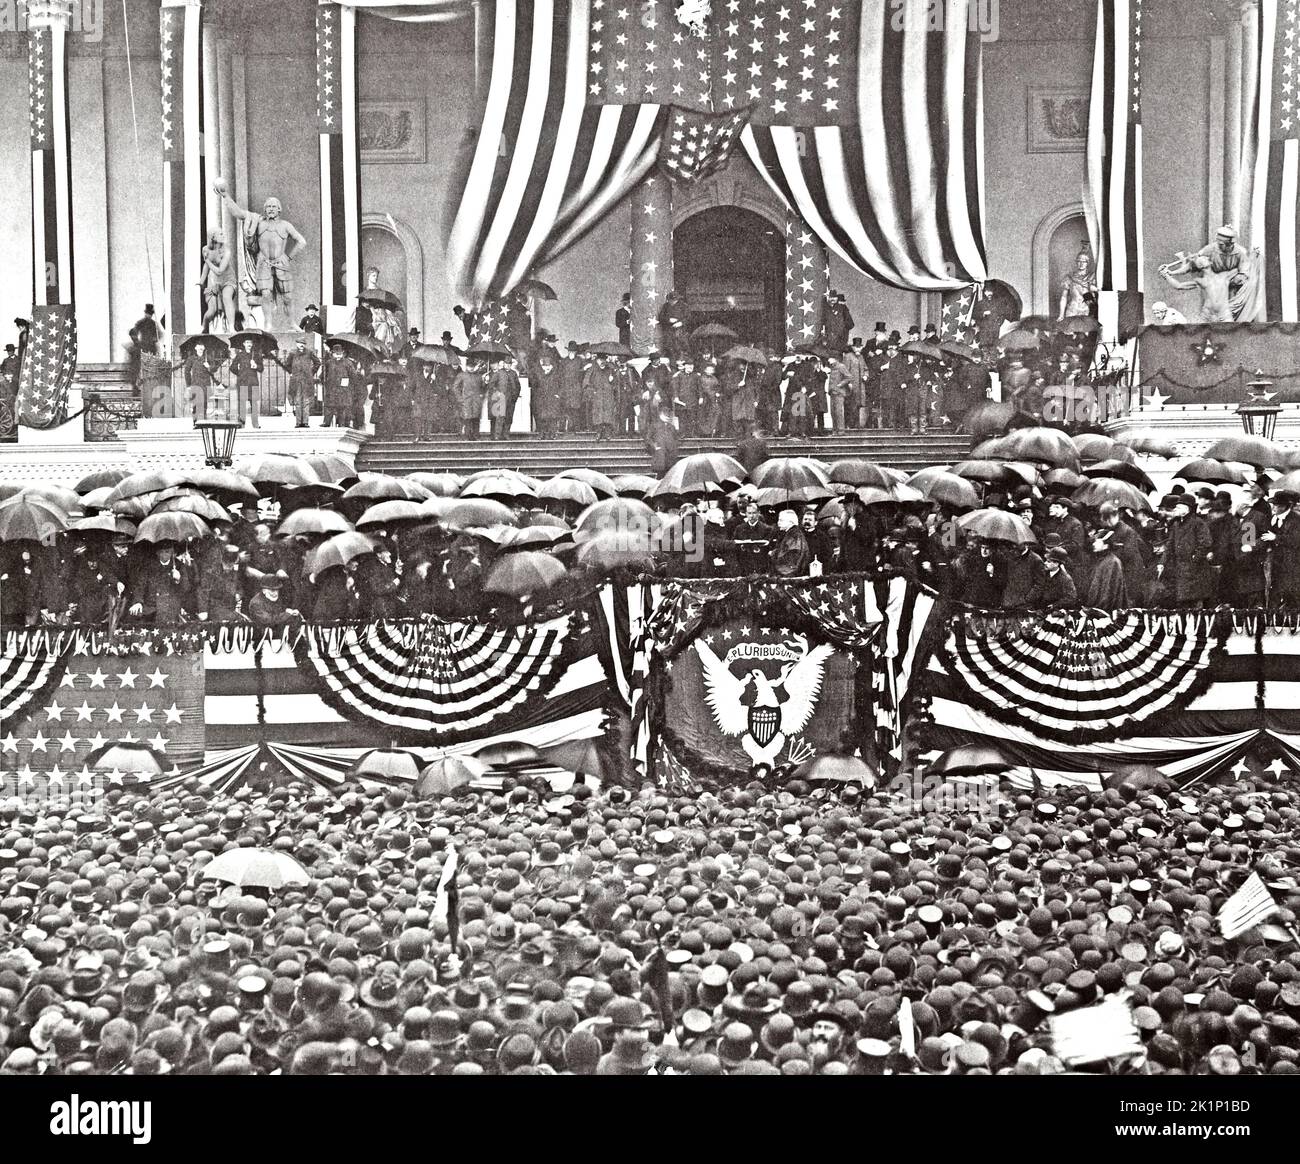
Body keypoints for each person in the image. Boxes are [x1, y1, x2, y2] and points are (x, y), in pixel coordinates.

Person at [214, 181, 307, 329]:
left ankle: (292, 323)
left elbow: (301, 241)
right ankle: (268, 323)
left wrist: (288, 257)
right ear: (265, 209)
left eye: (274, 207)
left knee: (287, 297)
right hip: (263, 264)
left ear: (279, 209)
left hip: (282, 264)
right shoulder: (258, 222)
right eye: (268, 206)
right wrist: (226, 196)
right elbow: (238, 213)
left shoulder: (285, 225)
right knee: (266, 295)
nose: (271, 209)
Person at [1158, 494, 1213, 608]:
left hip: (1195, 572)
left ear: (1187, 509)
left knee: (1195, 605)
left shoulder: (1198, 523)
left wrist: (1194, 558)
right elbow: (1169, 546)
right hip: (1181, 571)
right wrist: (1162, 563)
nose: (1175, 509)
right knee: (1183, 604)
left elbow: (1206, 543)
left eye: (1179, 507)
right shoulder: (1176, 524)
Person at [1263, 489, 1300, 608]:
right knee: (1276, 591)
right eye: (1273, 505)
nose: (1273, 508)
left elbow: (1296, 540)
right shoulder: (1274, 518)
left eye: (1276, 505)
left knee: (1291, 593)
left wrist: (1276, 537)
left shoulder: (1295, 520)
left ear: (1284, 507)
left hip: (1291, 564)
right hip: (1276, 563)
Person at [275, 338, 320, 428]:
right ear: (296, 344)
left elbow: (317, 363)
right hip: (296, 380)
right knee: (298, 401)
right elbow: (287, 364)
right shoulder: (292, 353)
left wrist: (311, 373)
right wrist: (291, 372)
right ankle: (298, 422)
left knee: (306, 401)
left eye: (303, 343)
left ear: (305, 344)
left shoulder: (309, 352)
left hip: (307, 380)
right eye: (299, 343)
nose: (301, 345)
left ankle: (306, 422)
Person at [201, 231, 237, 333]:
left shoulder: (226, 250)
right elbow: (206, 266)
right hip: (214, 282)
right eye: (220, 234)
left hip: (228, 279)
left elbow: (220, 271)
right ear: (213, 237)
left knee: (227, 297)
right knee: (211, 311)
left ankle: (231, 327)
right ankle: (204, 326)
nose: (223, 235)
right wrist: (201, 280)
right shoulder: (205, 249)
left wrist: (207, 260)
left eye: (223, 233)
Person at [1083, 528, 1129, 609]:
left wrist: (1098, 608)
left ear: (1106, 545)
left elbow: (1109, 591)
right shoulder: (1099, 560)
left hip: (1106, 610)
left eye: (1097, 542)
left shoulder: (1113, 562)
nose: (1094, 544)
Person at [728, 499, 775, 576]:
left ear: (759, 513)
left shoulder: (767, 529)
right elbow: (734, 544)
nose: (752, 516)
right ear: (746, 514)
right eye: (749, 513)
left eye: (754, 513)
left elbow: (769, 546)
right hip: (744, 565)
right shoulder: (739, 528)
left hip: (761, 565)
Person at [228, 338, 263, 428]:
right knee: (242, 403)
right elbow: (232, 367)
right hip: (243, 382)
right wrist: (239, 373)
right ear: (244, 344)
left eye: (250, 342)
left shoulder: (256, 355)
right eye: (247, 342)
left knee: (254, 403)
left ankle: (255, 424)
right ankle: (241, 423)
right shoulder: (240, 355)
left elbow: (261, 368)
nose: (249, 344)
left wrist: (256, 366)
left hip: (253, 382)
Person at [1057, 246, 1097, 320]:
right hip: (1072, 309)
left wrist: (1094, 289)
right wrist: (1061, 314)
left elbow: (1097, 294)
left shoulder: (1092, 277)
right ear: (1076, 262)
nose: (1081, 263)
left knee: (1085, 330)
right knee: (1069, 330)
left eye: (1084, 261)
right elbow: (1064, 297)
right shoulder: (1069, 277)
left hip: (1086, 310)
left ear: (1087, 263)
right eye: (1079, 261)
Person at [322, 345, 356, 428]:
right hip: (331, 388)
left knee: (342, 406)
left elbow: (353, 375)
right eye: (336, 353)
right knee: (329, 406)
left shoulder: (348, 363)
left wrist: (348, 383)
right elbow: (324, 374)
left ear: (343, 353)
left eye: (339, 353)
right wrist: (324, 382)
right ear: (332, 354)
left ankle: (342, 423)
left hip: (343, 388)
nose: (338, 355)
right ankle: (327, 422)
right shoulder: (329, 363)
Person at [771, 509, 811, 577]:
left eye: (781, 520)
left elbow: (791, 554)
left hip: (791, 572)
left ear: (790, 522)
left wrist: (773, 553)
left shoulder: (794, 535)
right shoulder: (792, 533)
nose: (778, 523)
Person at [644, 408, 679, 476]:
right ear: (661, 415)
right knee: (660, 473)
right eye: (665, 415)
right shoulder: (654, 426)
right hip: (660, 453)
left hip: (670, 455)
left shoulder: (672, 427)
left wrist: (674, 448)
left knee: (670, 474)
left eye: (668, 416)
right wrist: (654, 446)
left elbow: (676, 439)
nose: (667, 417)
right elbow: (648, 438)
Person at [455, 362, 485, 438]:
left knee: (476, 418)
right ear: (466, 366)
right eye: (469, 366)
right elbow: (456, 387)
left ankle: (476, 435)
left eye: (473, 366)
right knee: (467, 418)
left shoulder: (479, 376)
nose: (471, 368)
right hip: (466, 400)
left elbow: (482, 388)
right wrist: (460, 399)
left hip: (476, 401)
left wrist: (485, 383)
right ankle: (467, 435)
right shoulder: (462, 375)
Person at [658, 290, 688, 361]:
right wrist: (668, 320)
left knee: (680, 346)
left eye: (675, 300)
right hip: (668, 330)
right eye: (671, 300)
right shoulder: (665, 306)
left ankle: (681, 359)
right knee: (669, 346)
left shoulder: (684, 306)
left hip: (680, 330)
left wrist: (681, 323)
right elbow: (660, 318)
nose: (672, 302)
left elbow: (688, 318)